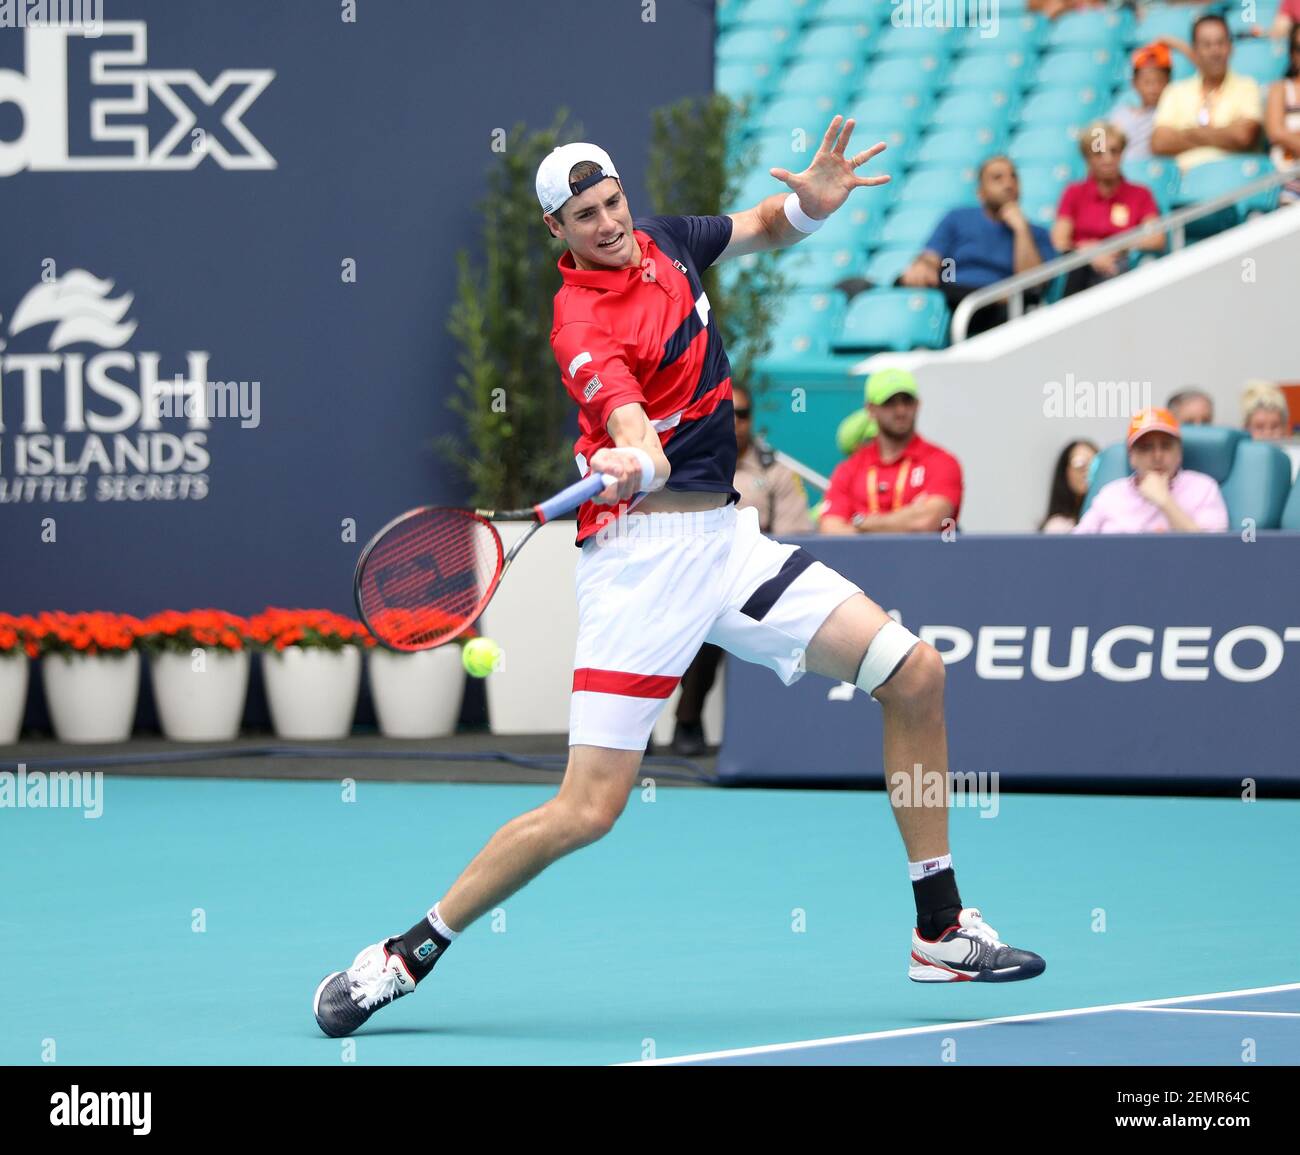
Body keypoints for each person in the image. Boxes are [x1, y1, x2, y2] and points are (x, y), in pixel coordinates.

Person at [312, 119, 1045, 1038]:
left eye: (613, 201)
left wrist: (808, 207)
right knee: (588, 809)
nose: (610, 223)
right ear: (558, 231)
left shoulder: (663, 240)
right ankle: (406, 952)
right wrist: (635, 455)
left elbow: (761, 227)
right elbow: (634, 426)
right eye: (586, 215)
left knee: (915, 672)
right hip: (639, 568)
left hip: (727, 544)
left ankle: (939, 929)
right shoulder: (579, 324)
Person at [670, 383, 814, 757]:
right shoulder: (683, 465)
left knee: (719, 610)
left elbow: (793, 538)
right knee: (699, 610)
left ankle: (694, 720)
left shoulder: (776, 472)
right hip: (691, 576)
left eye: (743, 414)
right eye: (727, 412)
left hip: (760, 577)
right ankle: (672, 722)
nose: (735, 421)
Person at [898, 155, 1056, 337]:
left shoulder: (1036, 233)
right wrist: (923, 266)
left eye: (1013, 177)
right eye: (997, 178)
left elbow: (1032, 283)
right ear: (980, 192)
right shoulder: (957, 218)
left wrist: (1021, 230)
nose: (1008, 184)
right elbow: (932, 256)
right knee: (900, 282)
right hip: (952, 295)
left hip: (997, 309)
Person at [819, 368, 963, 535]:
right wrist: (908, 515)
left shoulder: (942, 461)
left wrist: (861, 521)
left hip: (927, 559)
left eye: (907, 401)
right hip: (862, 561)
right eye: (889, 403)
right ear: (871, 410)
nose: (901, 411)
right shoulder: (849, 468)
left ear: (917, 404)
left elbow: (925, 522)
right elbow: (830, 530)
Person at [1073, 407, 1229, 533]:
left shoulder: (1204, 488)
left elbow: (1212, 553)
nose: (1157, 456)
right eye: (1146, 448)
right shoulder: (1110, 494)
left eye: (1166, 446)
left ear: (1179, 453)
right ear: (1131, 457)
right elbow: (1075, 549)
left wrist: (1164, 501)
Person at [1051, 122, 1163, 296]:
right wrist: (1086, 252)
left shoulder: (1140, 193)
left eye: (1114, 151)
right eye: (1099, 153)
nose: (1108, 159)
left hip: (1121, 263)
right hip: (1081, 267)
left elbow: (1157, 238)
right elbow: (1059, 240)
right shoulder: (1074, 193)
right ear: (1087, 157)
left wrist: (1114, 247)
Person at [1151, 14, 1264, 172]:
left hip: (1233, 179)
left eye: (1220, 43)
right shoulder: (1175, 91)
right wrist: (1223, 135)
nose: (1215, 51)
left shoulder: (1247, 86)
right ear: (1195, 50)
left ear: (1231, 47)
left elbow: (1243, 137)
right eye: (1207, 44)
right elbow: (1160, 142)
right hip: (1182, 182)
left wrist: (1190, 133)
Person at [1109, 41, 1183, 163]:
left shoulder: (1175, 113)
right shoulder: (1121, 114)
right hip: (1127, 173)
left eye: (1159, 81)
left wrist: (1174, 43)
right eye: (1147, 82)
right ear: (1135, 83)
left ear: (1169, 82)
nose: (1153, 89)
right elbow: (1099, 135)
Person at [1265, 24, 1300, 204]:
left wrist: (1291, 137)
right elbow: (1276, 132)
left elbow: (1283, 133)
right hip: (1286, 182)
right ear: (1292, 54)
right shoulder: (1280, 89)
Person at [1040, 439, 1099, 533]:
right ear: (1065, 472)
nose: (1088, 470)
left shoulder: (1109, 520)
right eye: (1080, 463)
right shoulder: (1057, 527)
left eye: (1094, 464)